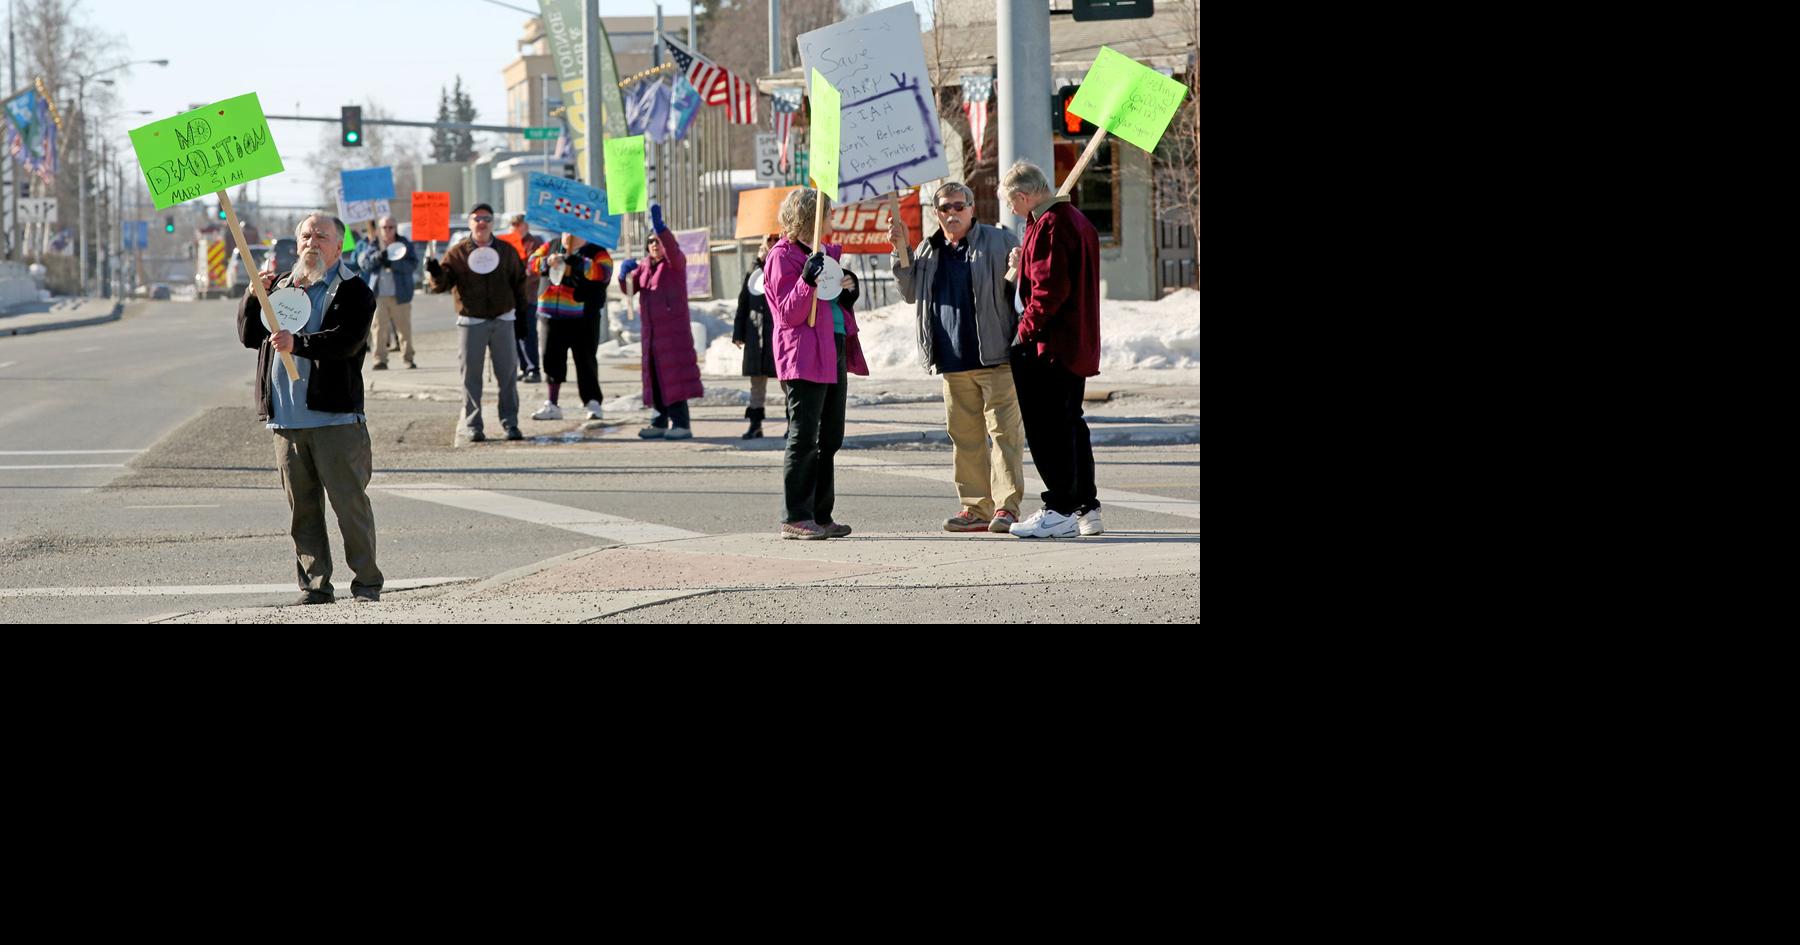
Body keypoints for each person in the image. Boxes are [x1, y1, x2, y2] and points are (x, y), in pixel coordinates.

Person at [236, 212, 384, 605]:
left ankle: (367, 582)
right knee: (302, 510)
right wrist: (253, 297)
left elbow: (347, 341)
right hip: (287, 420)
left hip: (335, 419)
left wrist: (298, 345)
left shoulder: (354, 290)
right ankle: (316, 585)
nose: (312, 242)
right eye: (306, 235)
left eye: (322, 235)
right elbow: (251, 336)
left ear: (339, 245)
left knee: (349, 505)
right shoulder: (282, 287)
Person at [892, 181, 1026, 535]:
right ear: (935, 213)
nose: (951, 213)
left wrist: (1021, 264)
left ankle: (1006, 508)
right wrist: (899, 250)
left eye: (958, 206)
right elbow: (910, 293)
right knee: (965, 440)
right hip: (952, 362)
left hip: (995, 357)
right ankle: (975, 508)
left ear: (971, 208)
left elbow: (1022, 290)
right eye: (944, 208)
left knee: (1004, 437)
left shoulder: (998, 241)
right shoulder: (927, 249)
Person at [999, 161, 1104, 539]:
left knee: (1049, 430)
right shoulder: (1075, 219)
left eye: (1012, 203)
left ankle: (1059, 507)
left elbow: (1048, 291)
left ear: (1024, 196)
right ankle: (1085, 506)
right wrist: (1023, 261)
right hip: (1073, 343)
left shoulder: (1051, 224)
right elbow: (1053, 276)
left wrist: (1023, 334)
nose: (1012, 211)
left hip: (1049, 347)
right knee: (1072, 426)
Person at [765, 187, 869, 540]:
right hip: (803, 355)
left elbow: (834, 303)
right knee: (804, 437)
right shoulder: (782, 257)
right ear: (809, 219)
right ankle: (796, 515)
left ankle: (821, 515)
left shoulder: (824, 254)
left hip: (832, 349)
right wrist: (807, 280)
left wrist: (848, 290)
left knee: (831, 437)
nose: (830, 220)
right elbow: (789, 313)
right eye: (825, 215)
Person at [425, 203, 529, 443]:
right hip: (471, 322)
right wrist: (434, 271)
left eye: (486, 219)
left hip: (503, 320)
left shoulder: (506, 251)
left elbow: (519, 283)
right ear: (470, 223)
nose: (482, 223)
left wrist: (522, 317)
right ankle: (473, 425)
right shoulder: (458, 252)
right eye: (477, 219)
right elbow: (441, 285)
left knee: (508, 376)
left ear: (493, 223)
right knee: (471, 376)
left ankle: (510, 423)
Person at [617, 203, 702, 440]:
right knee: (655, 379)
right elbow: (630, 290)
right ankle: (659, 421)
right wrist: (624, 276)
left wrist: (662, 229)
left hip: (673, 335)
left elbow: (673, 250)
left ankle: (681, 423)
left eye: (658, 241)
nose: (655, 245)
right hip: (652, 336)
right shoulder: (644, 267)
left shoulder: (674, 264)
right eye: (651, 242)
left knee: (674, 379)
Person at [526, 232, 613, 422]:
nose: (568, 235)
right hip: (550, 314)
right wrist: (547, 262)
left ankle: (592, 403)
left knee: (586, 360)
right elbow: (531, 263)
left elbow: (604, 273)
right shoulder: (551, 246)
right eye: (565, 231)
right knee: (551, 360)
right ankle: (552, 403)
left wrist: (580, 262)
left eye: (572, 231)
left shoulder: (596, 251)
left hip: (583, 316)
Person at [733, 233, 781, 439]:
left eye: (776, 239)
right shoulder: (753, 271)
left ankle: (793, 425)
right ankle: (755, 425)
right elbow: (743, 304)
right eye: (769, 239)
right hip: (756, 336)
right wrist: (738, 333)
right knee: (756, 385)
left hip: (778, 334)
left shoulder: (785, 264)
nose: (772, 243)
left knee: (787, 383)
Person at [356, 215, 419, 370]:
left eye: (391, 227)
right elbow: (364, 263)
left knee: (404, 329)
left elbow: (412, 265)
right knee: (378, 329)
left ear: (395, 228)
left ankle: (408, 358)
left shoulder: (404, 244)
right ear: (379, 229)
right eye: (385, 227)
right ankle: (380, 360)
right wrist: (377, 258)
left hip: (400, 294)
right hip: (379, 295)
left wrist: (394, 264)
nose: (388, 230)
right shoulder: (374, 244)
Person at [498, 213, 546, 383]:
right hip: (510, 297)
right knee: (515, 334)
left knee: (528, 334)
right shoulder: (507, 244)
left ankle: (534, 368)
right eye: (513, 225)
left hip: (527, 296)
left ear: (525, 226)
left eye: (518, 225)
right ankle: (523, 366)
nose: (515, 228)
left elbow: (536, 268)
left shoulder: (535, 243)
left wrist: (522, 274)